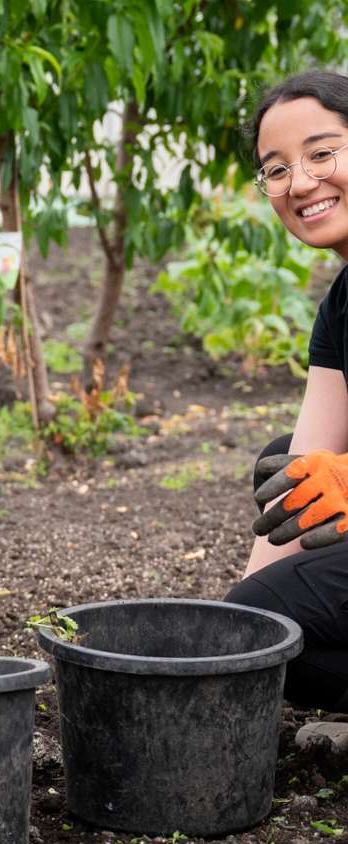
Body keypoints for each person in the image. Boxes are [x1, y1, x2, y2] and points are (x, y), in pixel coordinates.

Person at [225, 70, 348, 717]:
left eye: (323, 153)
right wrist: (225, 641)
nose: (300, 183)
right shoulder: (341, 304)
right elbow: (303, 472)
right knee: (268, 640)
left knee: (265, 622)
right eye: (276, 169)